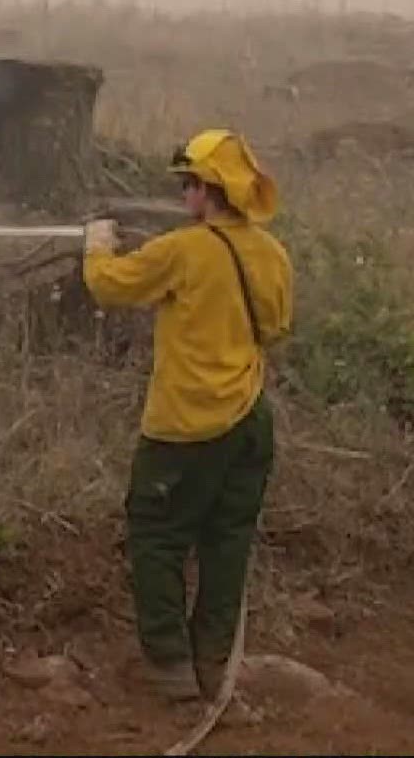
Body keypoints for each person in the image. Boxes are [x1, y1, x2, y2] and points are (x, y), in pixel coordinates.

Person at [81, 129, 295, 703]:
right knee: (227, 543)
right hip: (250, 424)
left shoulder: (182, 249)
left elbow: (109, 286)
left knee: (157, 535)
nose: (183, 196)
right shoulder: (272, 254)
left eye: (187, 185)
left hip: (183, 427)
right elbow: (274, 328)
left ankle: (170, 667)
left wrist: (98, 245)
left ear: (207, 189)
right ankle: (213, 662)